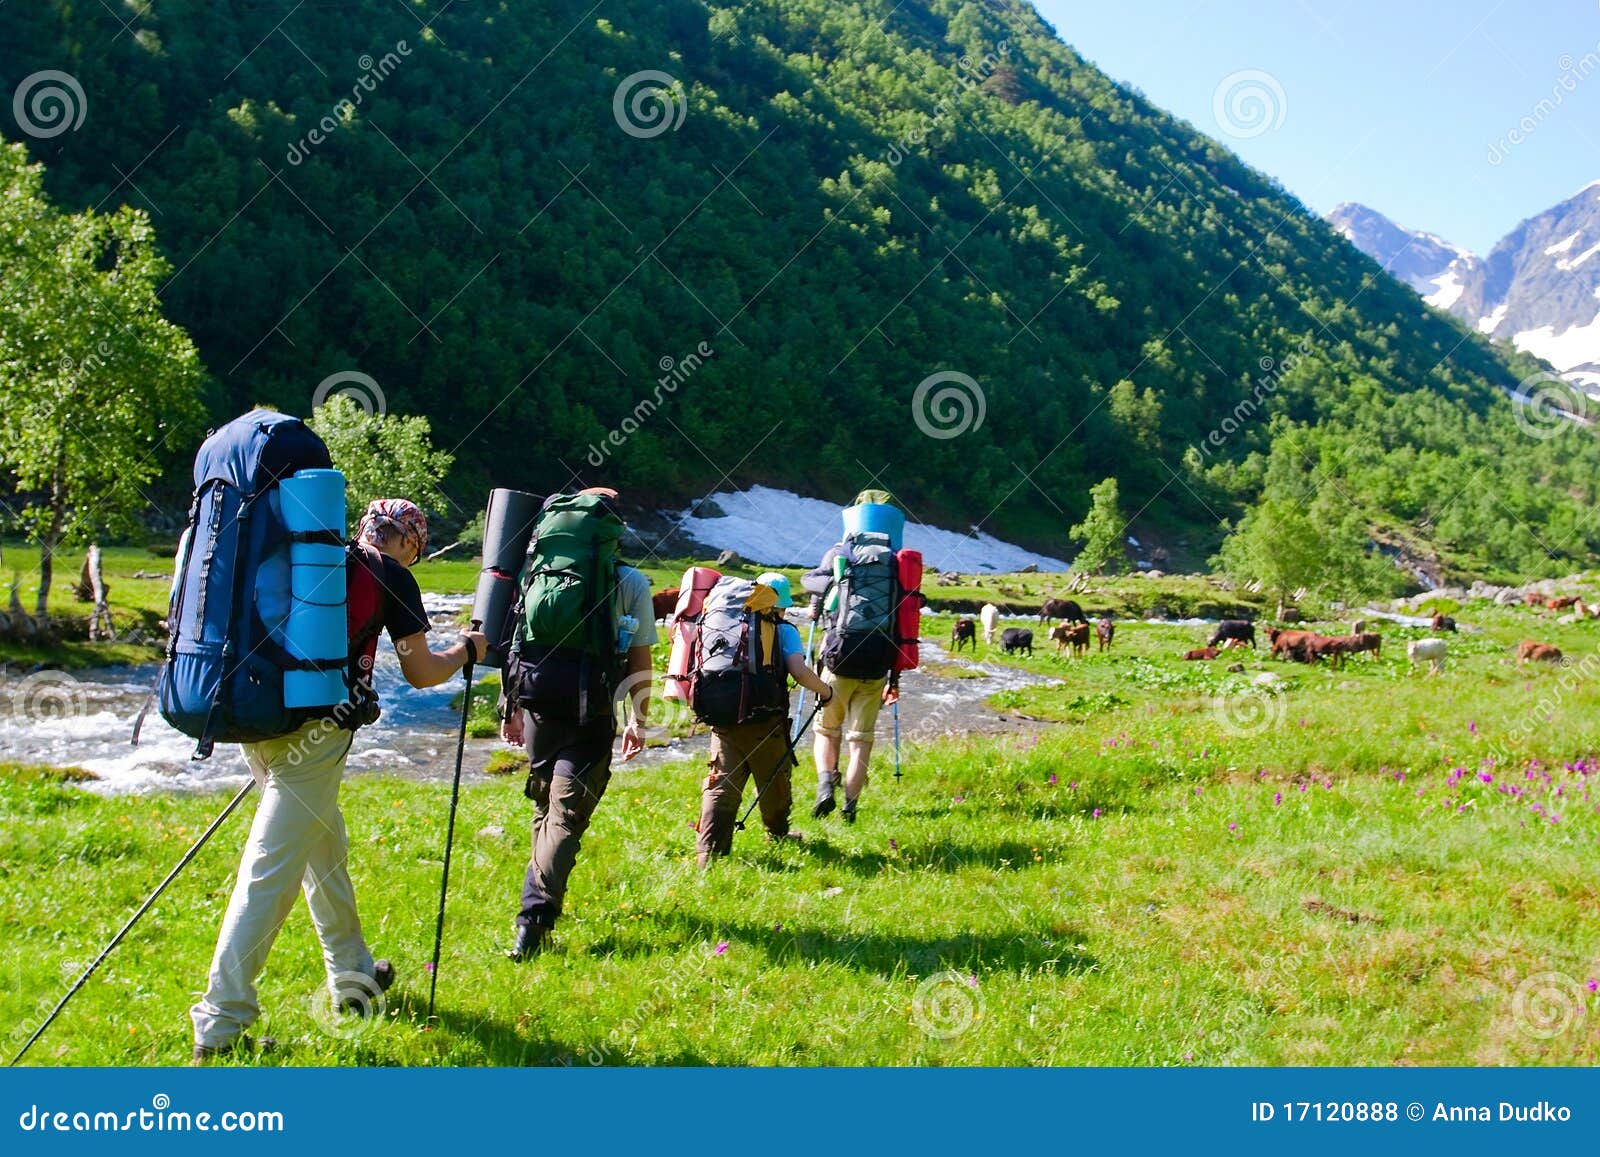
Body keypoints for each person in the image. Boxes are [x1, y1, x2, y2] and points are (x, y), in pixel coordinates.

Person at [191, 498, 487, 1062]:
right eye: (416, 549)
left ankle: (353, 976)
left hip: (257, 717)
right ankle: (221, 1025)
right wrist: (466, 648)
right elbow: (423, 673)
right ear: (411, 542)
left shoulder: (312, 557)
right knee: (269, 871)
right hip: (317, 736)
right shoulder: (389, 574)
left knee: (324, 850)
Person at [499, 487, 654, 961]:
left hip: (538, 695)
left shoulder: (535, 571)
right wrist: (639, 719)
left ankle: (537, 905)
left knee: (545, 805)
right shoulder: (629, 582)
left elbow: (516, 638)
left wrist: (511, 705)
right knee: (566, 814)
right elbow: (640, 657)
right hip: (592, 709)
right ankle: (535, 919)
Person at [695, 573, 834, 867]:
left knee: (721, 782)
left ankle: (708, 853)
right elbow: (798, 670)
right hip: (763, 719)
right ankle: (779, 834)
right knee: (774, 780)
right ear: (780, 604)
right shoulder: (782, 629)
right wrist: (826, 690)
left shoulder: (726, 620)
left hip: (722, 713)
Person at [801, 490, 898, 824]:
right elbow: (904, 619)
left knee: (827, 731)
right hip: (877, 663)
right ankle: (850, 807)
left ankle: (826, 786)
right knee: (862, 740)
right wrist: (895, 676)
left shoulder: (840, 552)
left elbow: (814, 585)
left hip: (839, 659)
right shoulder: (898, 560)